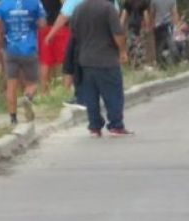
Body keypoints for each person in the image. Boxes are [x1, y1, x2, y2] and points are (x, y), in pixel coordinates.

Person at [70, 0, 132, 136]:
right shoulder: (107, 8)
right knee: (113, 94)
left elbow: (74, 34)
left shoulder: (78, 9)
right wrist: (122, 51)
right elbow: (117, 33)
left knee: (91, 96)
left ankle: (94, 126)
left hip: (85, 60)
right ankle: (116, 125)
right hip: (106, 58)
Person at [0, 0, 46, 125]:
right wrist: (32, 21)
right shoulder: (35, 3)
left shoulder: (2, 4)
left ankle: (13, 118)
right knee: (34, 83)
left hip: (10, 49)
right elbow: (42, 24)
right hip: (29, 49)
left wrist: (0, 46)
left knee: (11, 85)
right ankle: (28, 97)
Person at [38, 0, 67, 93]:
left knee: (45, 61)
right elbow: (66, 7)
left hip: (44, 27)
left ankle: (44, 91)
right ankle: (65, 90)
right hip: (60, 26)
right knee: (66, 61)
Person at [148, 0, 178, 67]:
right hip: (169, 24)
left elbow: (152, 14)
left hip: (158, 25)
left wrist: (151, 25)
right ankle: (172, 60)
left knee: (158, 44)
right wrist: (175, 25)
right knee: (170, 41)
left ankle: (160, 62)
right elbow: (174, 13)